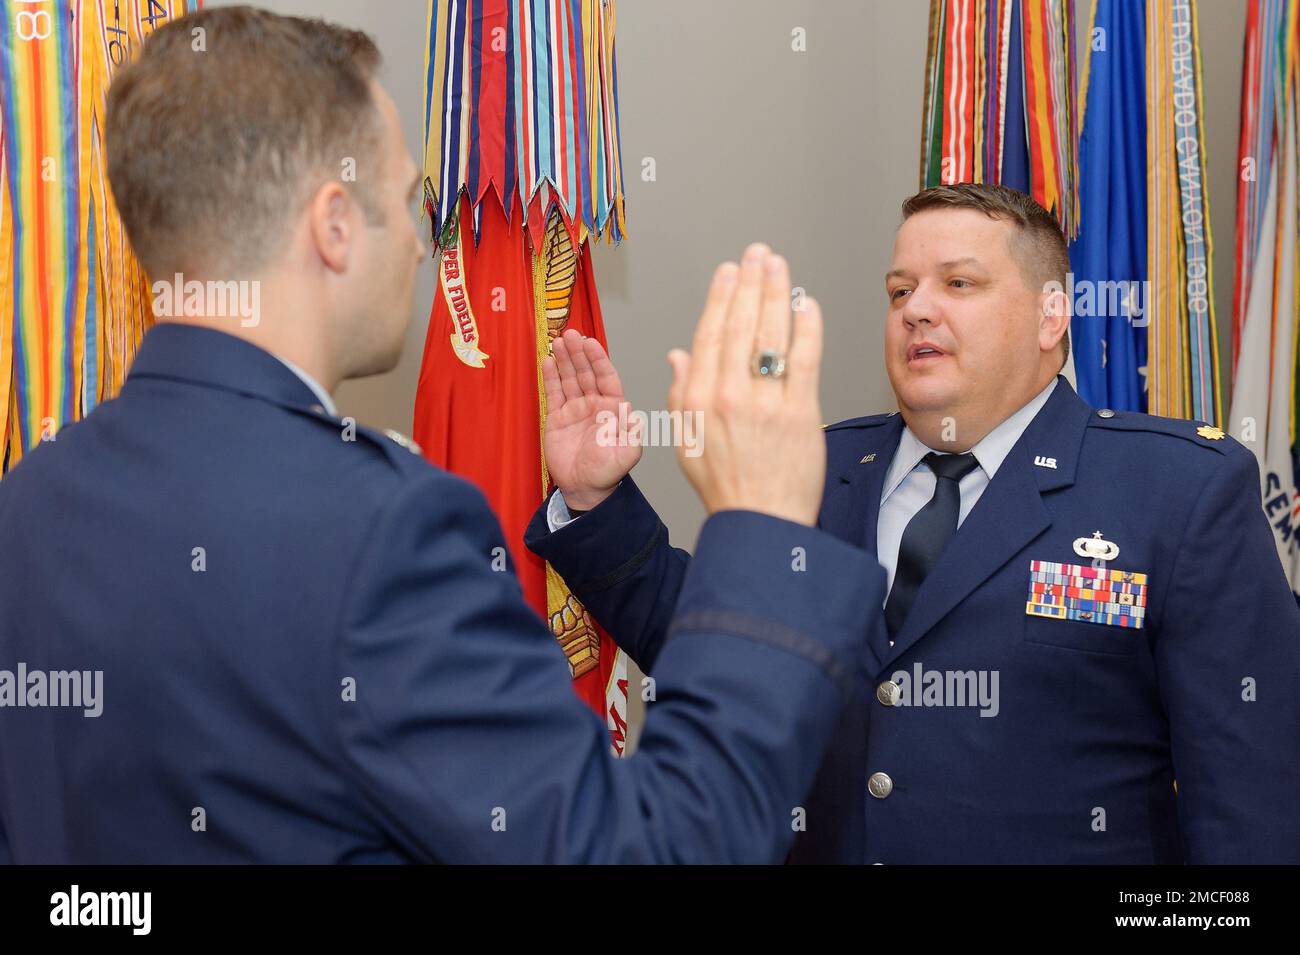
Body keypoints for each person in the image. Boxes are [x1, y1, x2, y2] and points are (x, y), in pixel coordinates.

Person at [0, 6, 886, 864]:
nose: (426, 248)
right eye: (409, 199)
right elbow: (661, 845)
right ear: (335, 227)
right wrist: (763, 528)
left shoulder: (30, 502)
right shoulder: (383, 529)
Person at [529, 183, 1300, 864]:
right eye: (900, 291)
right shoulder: (815, 466)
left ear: (1050, 316)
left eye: (958, 282)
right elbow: (720, 642)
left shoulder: (1177, 491)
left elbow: (1249, 798)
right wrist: (598, 499)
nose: (917, 309)